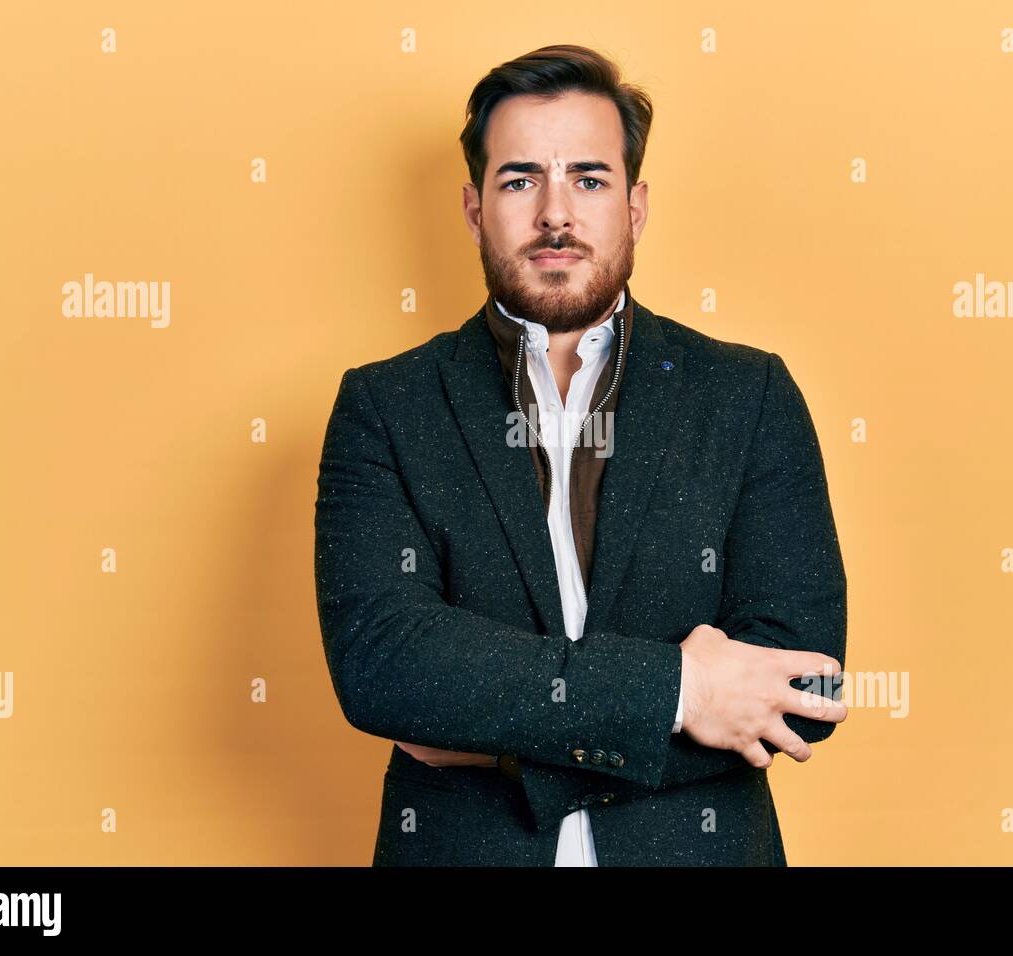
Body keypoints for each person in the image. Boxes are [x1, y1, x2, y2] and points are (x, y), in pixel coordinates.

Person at [314, 43, 848, 866]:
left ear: (634, 207)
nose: (555, 214)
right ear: (472, 207)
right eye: (521, 180)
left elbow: (804, 687)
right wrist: (685, 690)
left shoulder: (749, 395)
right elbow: (386, 668)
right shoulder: (386, 405)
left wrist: (501, 745)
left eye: (589, 180)